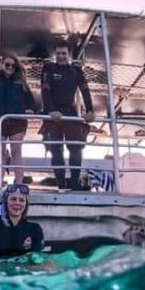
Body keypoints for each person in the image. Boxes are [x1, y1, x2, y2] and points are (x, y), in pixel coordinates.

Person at [40, 42, 95, 190]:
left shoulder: (76, 70)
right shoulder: (48, 68)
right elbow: (44, 91)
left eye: (64, 53)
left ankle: (74, 182)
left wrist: (90, 110)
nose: (61, 56)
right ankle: (61, 184)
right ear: (54, 54)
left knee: (76, 149)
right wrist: (51, 111)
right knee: (56, 150)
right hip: (53, 115)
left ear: (69, 54)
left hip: (70, 114)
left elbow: (85, 90)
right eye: (58, 53)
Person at [0, 54, 35, 185]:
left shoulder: (21, 81)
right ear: (2, 64)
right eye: (7, 65)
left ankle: (19, 183)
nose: (10, 68)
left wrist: (30, 109)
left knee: (16, 150)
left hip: (17, 120)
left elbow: (31, 99)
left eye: (13, 65)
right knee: (0, 152)